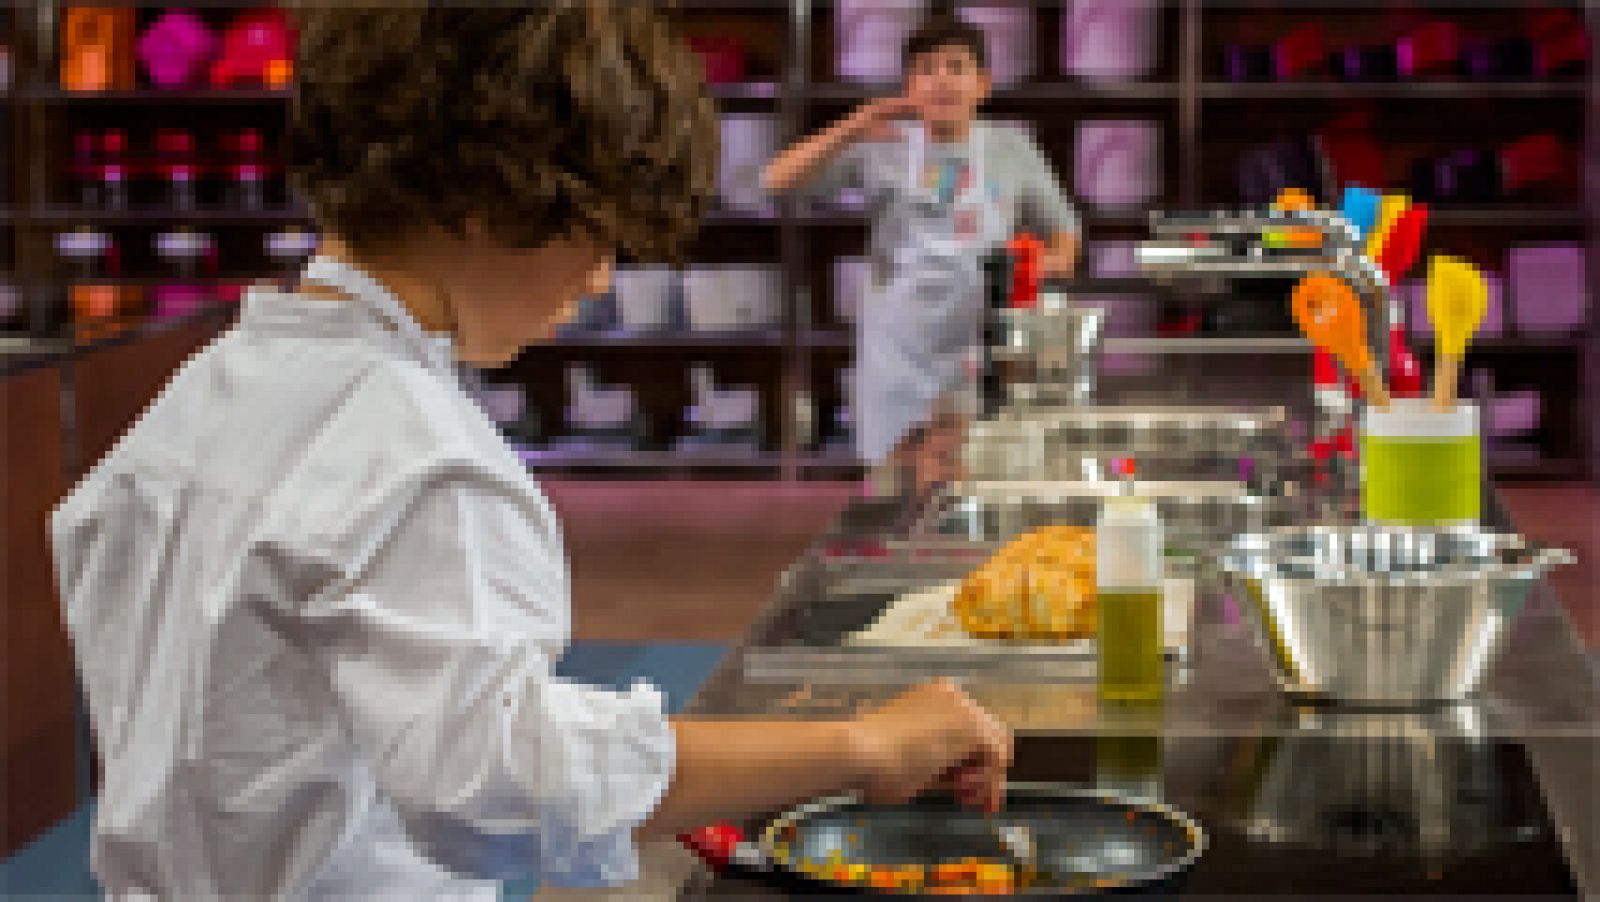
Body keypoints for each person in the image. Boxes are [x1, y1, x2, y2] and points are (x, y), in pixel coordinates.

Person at [49, 6, 1010, 898]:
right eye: (599, 236)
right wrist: (861, 747)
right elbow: (496, 785)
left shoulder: (205, 389)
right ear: (488, 197)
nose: (597, 280)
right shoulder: (417, 451)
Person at [765, 13, 1081, 473]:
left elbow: (1065, 234)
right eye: (927, 69)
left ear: (983, 83)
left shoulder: (1013, 148)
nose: (942, 81)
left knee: (975, 483)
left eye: (956, 67)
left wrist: (1044, 266)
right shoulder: (881, 145)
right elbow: (776, 182)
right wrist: (853, 124)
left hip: (980, 353)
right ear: (909, 86)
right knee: (897, 490)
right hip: (897, 357)